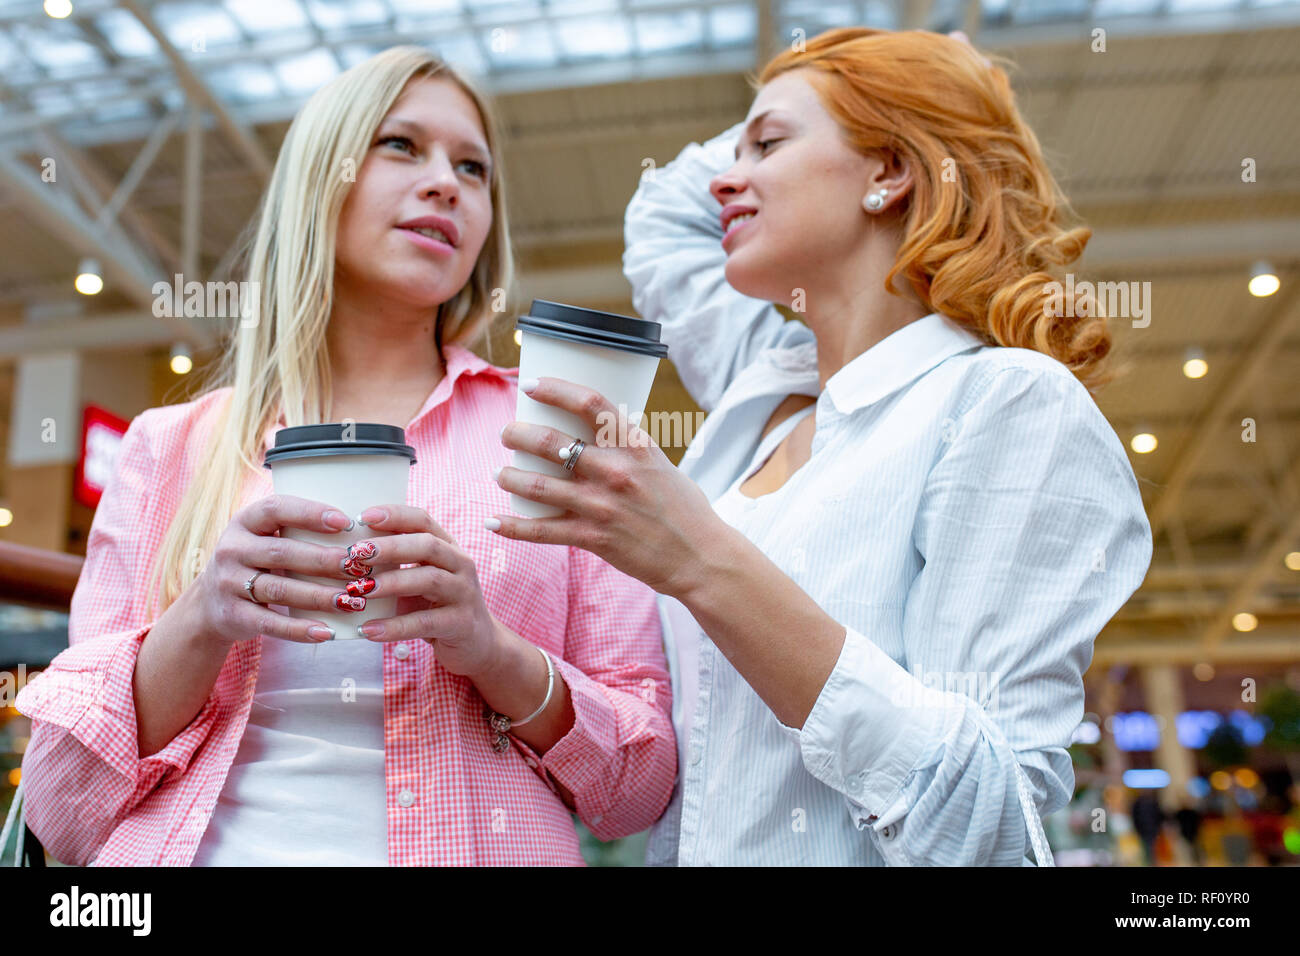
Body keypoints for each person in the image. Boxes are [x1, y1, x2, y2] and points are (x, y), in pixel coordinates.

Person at [486, 27, 1153, 865]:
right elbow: (665, 212)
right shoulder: (760, 390)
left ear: (889, 172)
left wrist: (705, 564)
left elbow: (995, 831)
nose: (726, 177)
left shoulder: (1006, 403)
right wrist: (917, 76)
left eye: (767, 143)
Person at [14, 46, 674, 866]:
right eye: (401, 146)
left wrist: (492, 653)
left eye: (474, 168)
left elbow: (637, 789)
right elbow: (60, 805)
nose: (447, 182)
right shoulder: (170, 448)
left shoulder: (553, 433)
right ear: (319, 178)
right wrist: (203, 618)